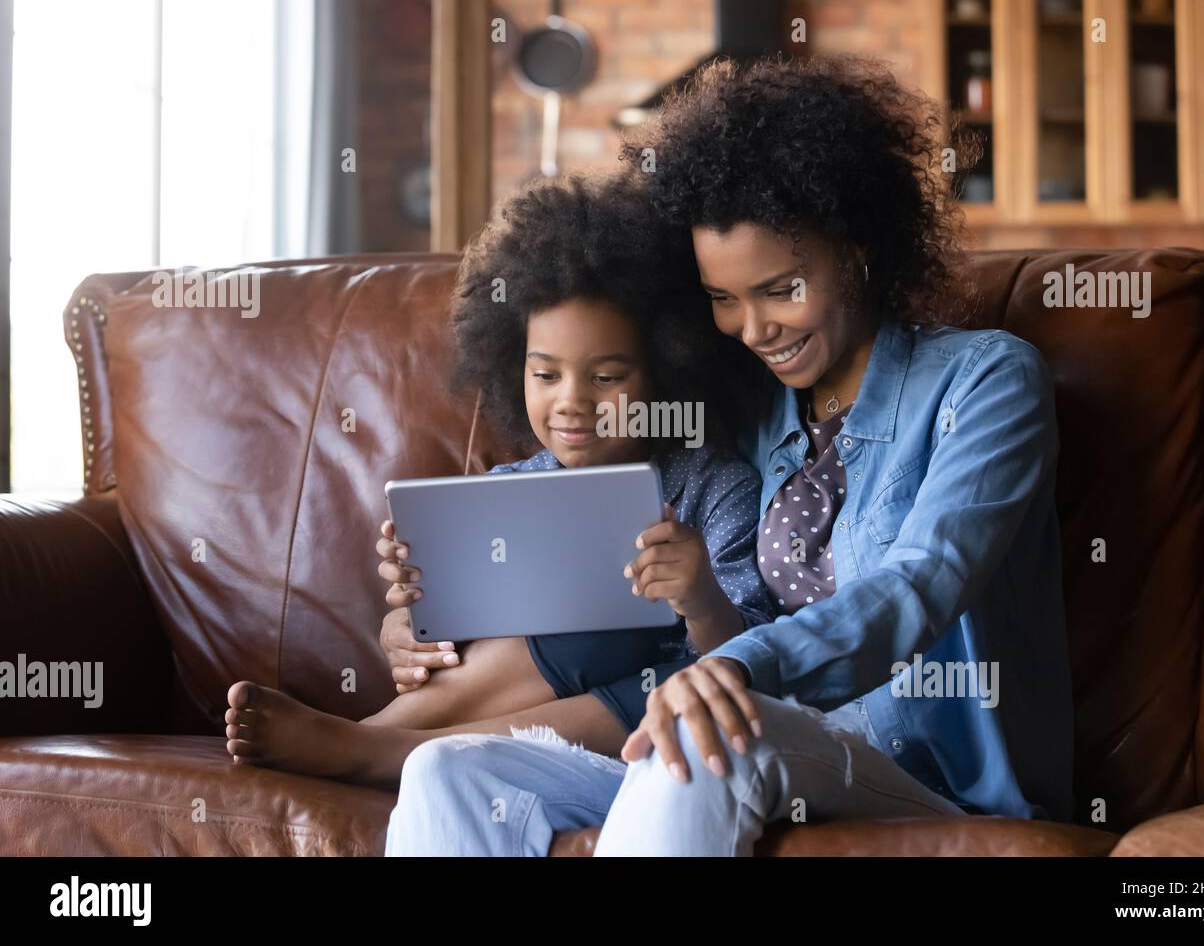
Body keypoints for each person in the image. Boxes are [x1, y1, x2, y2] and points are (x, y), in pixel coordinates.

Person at [382, 54, 1075, 856]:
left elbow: (919, 585)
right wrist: (435, 606)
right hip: (775, 752)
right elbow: (593, 511)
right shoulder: (743, 409)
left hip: (930, 780)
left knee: (714, 737)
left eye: (781, 289)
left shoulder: (987, 382)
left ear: (860, 249)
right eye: (723, 299)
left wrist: (738, 668)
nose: (754, 329)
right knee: (448, 772)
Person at [222, 172, 773, 786]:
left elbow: (751, 659)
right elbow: (457, 644)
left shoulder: (717, 486)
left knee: (635, 647)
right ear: (514, 368)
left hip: (650, 730)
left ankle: (370, 748)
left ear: (668, 373)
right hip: (511, 726)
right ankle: (379, 738)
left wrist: (700, 600)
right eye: (545, 376)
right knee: (580, 631)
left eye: (607, 377)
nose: (571, 402)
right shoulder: (506, 489)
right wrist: (407, 634)